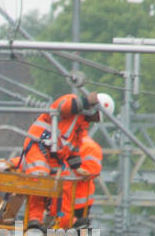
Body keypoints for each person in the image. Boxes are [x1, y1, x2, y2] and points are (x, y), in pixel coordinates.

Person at [16, 92, 111, 228]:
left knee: (65, 184)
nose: (94, 120)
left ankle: (64, 222)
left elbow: (73, 148)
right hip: (38, 145)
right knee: (39, 177)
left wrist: (77, 166)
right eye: (96, 117)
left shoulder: (80, 125)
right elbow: (61, 107)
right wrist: (85, 101)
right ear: (93, 108)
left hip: (55, 157)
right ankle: (34, 219)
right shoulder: (71, 101)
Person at [59, 134, 103, 228]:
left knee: (68, 234)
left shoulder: (89, 147)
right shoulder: (59, 142)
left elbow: (91, 171)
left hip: (78, 203)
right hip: (63, 200)